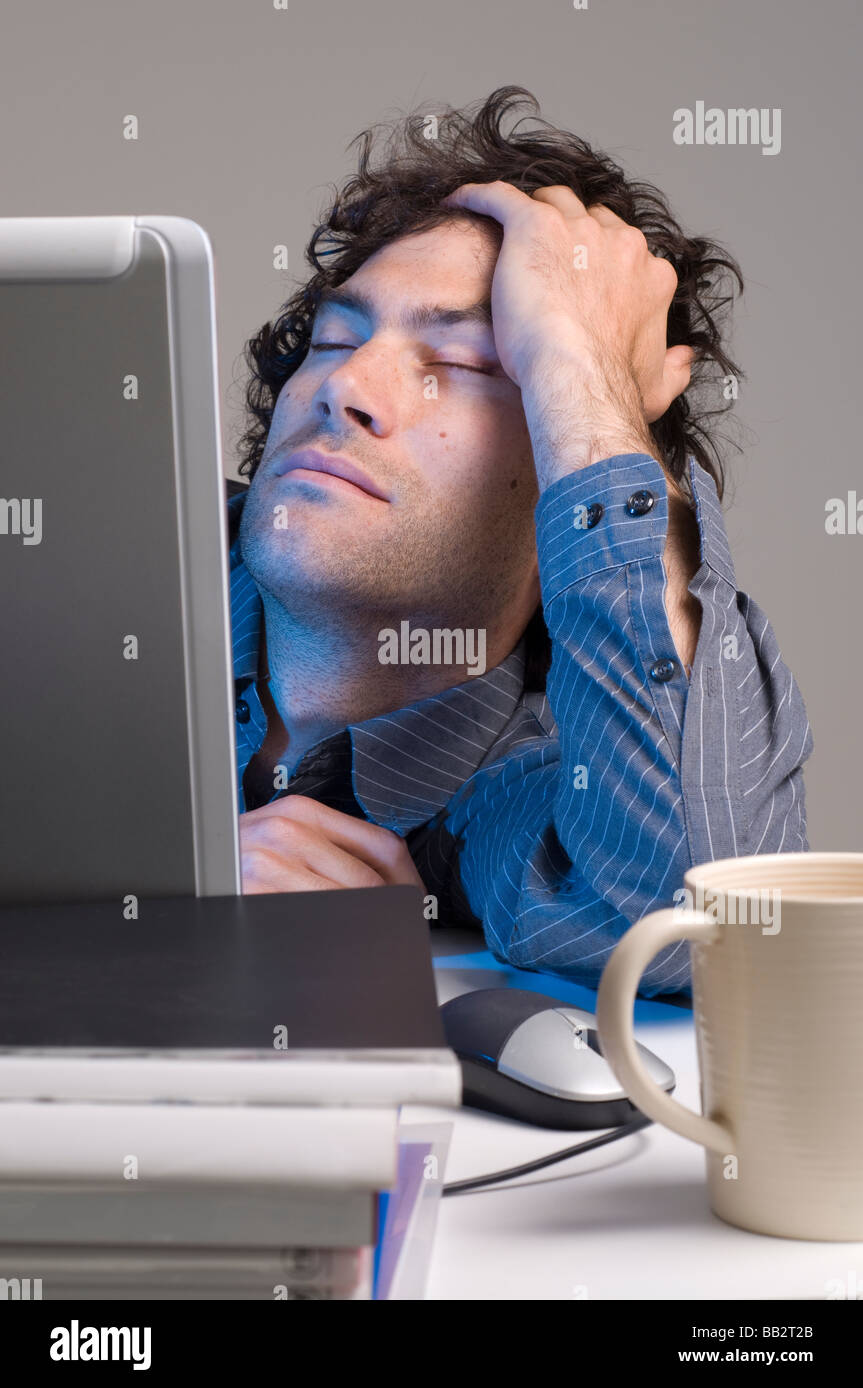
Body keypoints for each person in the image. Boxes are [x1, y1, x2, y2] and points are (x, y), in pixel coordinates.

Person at [228, 87, 812, 997]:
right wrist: (131, 889)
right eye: (334, 339)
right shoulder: (78, 584)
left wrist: (582, 374)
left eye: (458, 365)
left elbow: (703, 925)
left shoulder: (531, 780)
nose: (347, 387)